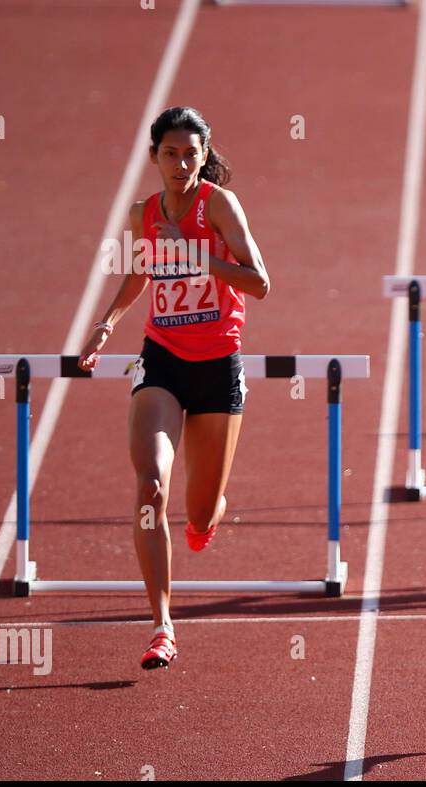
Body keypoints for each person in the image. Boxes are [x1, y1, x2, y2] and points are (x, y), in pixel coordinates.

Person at [77, 106, 270, 668]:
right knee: (150, 487)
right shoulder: (144, 212)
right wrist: (106, 325)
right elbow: (140, 271)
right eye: (170, 153)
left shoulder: (221, 205)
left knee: (201, 512)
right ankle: (162, 625)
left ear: (204, 154)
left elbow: (259, 283)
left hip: (217, 366)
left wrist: (193, 253)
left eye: (191, 153)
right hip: (161, 361)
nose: (181, 163)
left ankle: (208, 515)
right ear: (154, 157)